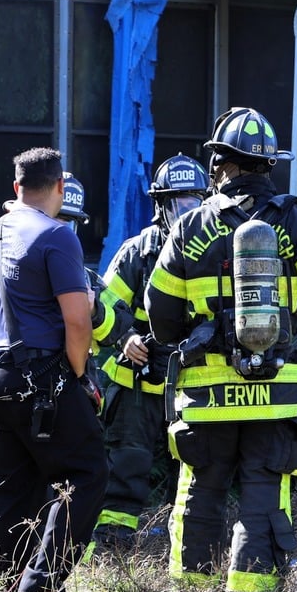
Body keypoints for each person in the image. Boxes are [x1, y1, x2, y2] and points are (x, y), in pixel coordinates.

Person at [145, 107, 297, 592]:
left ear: (221, 164)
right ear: (268, 165)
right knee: (264, 492)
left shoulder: (191, 226)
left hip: (208, 395)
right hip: (276, 393)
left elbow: (161, 316)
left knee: (201, 490)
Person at [0, 148, 108, 592]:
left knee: (12, 482)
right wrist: (79, 375)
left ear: (16, 188)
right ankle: (38, 589)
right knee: (86, 472)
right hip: (41, 377)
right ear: (60, 188)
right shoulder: (57, 235)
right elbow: (78, 321)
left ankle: (7, 584)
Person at [91, 153, 209, 549]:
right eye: (178, 204)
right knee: (128, 462)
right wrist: (125, 337)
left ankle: (191, 543)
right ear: (161, 206)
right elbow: (104, 304)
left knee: (197, 463)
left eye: (194, 203)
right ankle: (113, 541)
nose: (186, 213)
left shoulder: (212, 251)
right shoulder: (138, 252)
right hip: (136, 382)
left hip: (193, 381)